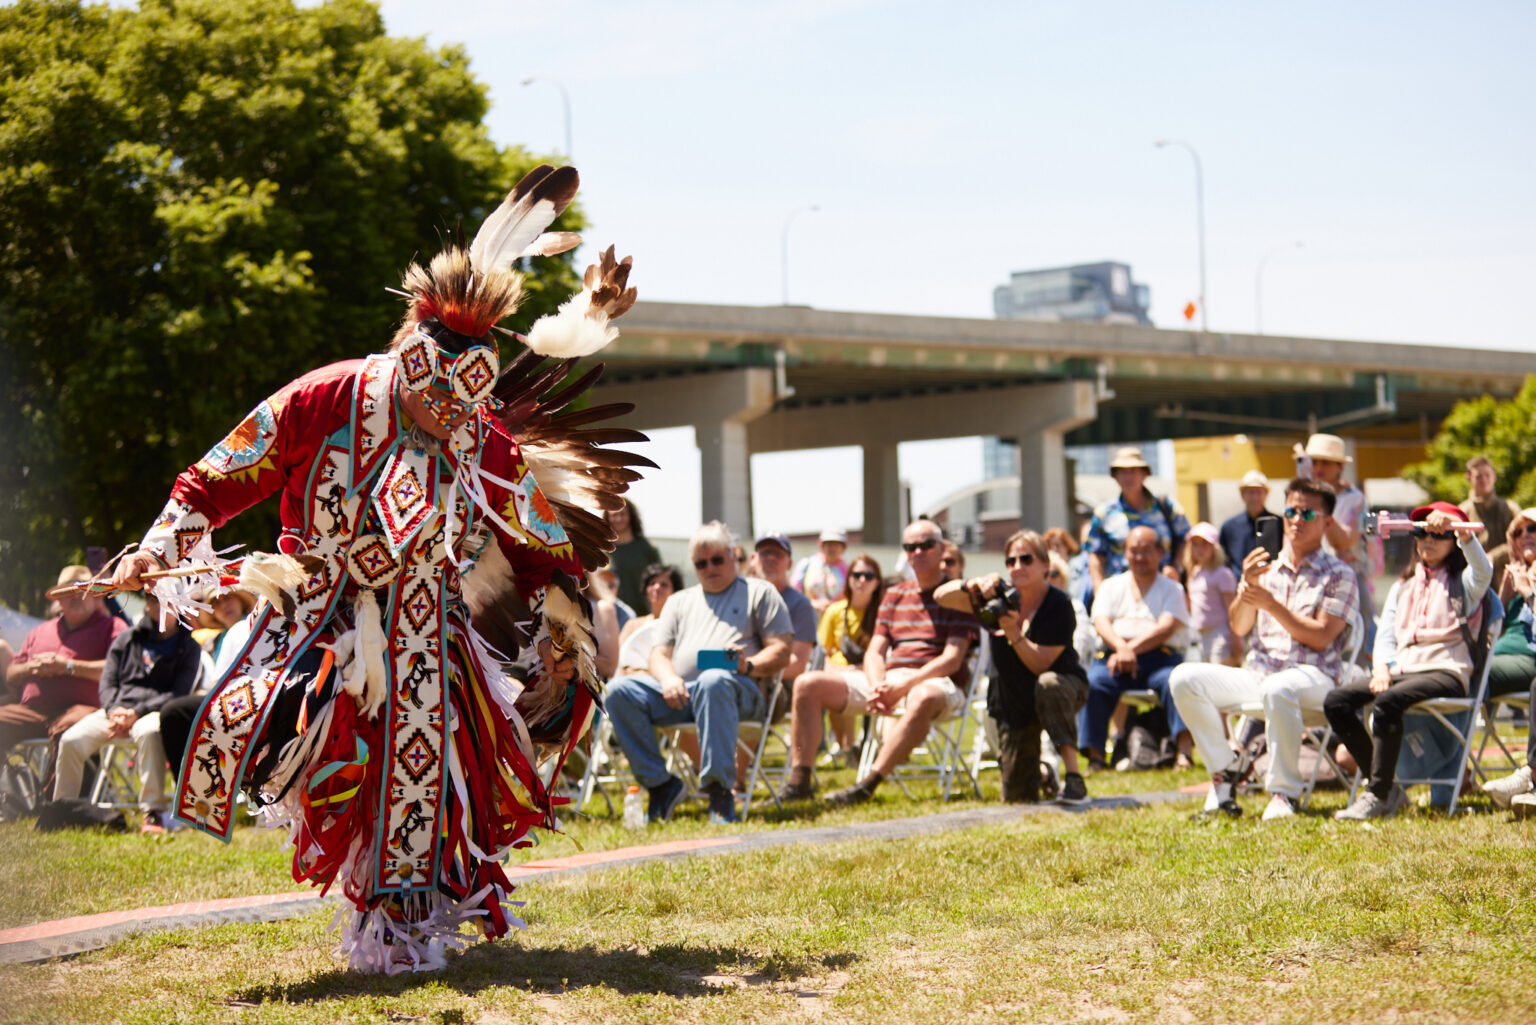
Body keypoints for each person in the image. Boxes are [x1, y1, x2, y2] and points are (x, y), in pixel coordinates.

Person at [106, 164, 646, 972]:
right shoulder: (326, 398)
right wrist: (157, 547)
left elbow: (534, 534)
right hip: (315, 616)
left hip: (432, 628)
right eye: (439, 389)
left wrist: (561, 628)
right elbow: (216, 477)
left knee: (425, 768)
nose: (451, 413)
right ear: (409, 359)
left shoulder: (478, 435)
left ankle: (407, 920)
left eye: (472, 394)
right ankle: (391, 907)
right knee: (291, 746)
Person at [1168, 478, 1359, 819]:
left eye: (1307, 514)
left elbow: (1320, 637)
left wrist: (1271, 605)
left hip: (1318, 678)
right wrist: (1248, 587)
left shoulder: (1339, 574)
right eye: (1290, 511)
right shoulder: (1263, 567)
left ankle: (1284, 793)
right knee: (1184, 678)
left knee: (1278, 686)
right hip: (1260, 673)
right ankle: (1225, 772)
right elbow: (1240, 626)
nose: (1297, 520)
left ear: (1327, 523)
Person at [604, 521, 793, 824]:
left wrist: (749, 664)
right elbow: (658, 654)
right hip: (684, 694)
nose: (709, 567)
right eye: (701, 563)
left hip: (741, 691)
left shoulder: (760, 592)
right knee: (618, 691)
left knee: (713, 678)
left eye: (717, 559)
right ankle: (661, 785)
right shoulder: (679, 601)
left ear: (734, 555)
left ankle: (720, 792)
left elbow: (782, 649)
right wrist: (668, 678)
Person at [779, 520, 978, 805]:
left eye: (926, 545)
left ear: (942, 548)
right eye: (911, 546)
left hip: (936, 684)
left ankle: (867, 785)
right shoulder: (894, 595)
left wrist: (902, 687)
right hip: (890, 679)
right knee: (808, 683)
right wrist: (877, 687)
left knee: (922, 695)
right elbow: (875, 651)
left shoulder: (957, 597)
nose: (918, 552)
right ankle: (800, 783)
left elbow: (951, 659)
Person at [1325, 502, 1491, 820]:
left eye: (1438, 534)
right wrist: (1381, 668)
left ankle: (1377, 794)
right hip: (1403, 671)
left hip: (1448, 671)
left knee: (1387, 702)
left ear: (1453, 540)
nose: (1428, 539)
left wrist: (1462, 535)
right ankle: (1389, 789)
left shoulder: (1465, 582)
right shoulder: (1403, 585)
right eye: (1421, 532)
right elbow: (1386, 636)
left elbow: (1483, 571)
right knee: (1337, 701)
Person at [938, 530, 1090, 804]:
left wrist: (1013, 632)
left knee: (1049, 684)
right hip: (1014, 702)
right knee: (1019, 796)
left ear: (1045, 564)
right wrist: (973, 584)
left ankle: (1074, 777)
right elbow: (941, 595)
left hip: (1062, 689)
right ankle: (1045, 773)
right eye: (1010, 561)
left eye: (1026, 559)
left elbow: (1041, 665)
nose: (1017, 566)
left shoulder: (1058, 603)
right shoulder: (998, 598)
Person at [53, 593, 201, 832]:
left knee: (150, 733)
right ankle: (62, 809)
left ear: (179, 605)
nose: (159, 606)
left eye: (166, 600)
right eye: (153, 600)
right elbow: (107, 681)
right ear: (147, 604)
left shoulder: (189, 646)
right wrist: (114, 711)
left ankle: (152, 813)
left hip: (154, 712)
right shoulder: (127, 638)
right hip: (115, 711)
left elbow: (179, 694)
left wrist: (137, 712)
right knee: (70, 740)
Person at [0, 566, 127, 787]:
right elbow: (11, 674)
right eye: (68, 592)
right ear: (59, 600)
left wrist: (67, 667)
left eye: (82, 591)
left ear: (96, 595)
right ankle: (13, 796)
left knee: (71, 727)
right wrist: (32, 667)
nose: (75, 597)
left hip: (85, 709)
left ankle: (54, 806)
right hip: (33, 710)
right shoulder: (39, 631)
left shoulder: (113, 626)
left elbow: (118, 669)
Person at [1079, 526, 1191, 769]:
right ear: (1125, 554)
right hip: (1113, 658)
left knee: (1177, 683)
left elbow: (1166, 627)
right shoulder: (1111, 586)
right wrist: (1121, 648)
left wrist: (1130, 649)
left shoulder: (1173, 588)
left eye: (1146, 551)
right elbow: (1100, 621)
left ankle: (1184, 753)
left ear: (1160, 553)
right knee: (1094, 683)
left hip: (1159, 658)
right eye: (1133, 551)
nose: (1139, 557)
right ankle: (1096, 757)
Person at [1482, 508, 1536, 815]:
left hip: (1528, 658)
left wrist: (1529, 592)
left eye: (1533, 528)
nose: (1526, 534)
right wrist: (1503, 596)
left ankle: (1528, 776)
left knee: (1466, 677)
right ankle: (1455, 776)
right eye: (1518, 531)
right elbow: (1489, 634)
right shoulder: (1515, 579)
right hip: (1500, 656)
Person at [1085, 446, 1189, 591]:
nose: (1128, 477)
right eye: (1122, 472)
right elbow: (1095, 555)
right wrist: (1099, 590)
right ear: (1115, 476)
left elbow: (1184, 539)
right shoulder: (1104, 513)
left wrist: (1176, 568)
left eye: (1133, 471)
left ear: (1144, 474)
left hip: (1163, 590)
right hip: (1120, 593)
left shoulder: (1167, 506)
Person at [814, 553, 885, 762]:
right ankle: (849, 747)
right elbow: (823, 651)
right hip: (839, 672)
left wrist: (865, 669)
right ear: (849, 578)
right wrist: (839, 671)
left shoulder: (883, 613)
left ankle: (867, 748)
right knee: (831, 685)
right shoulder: (835, 611)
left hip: (872, 675)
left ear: (877, 582)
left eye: (868, 576)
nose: (862, 580)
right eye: (856, 575)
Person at [1459, 456, 1521, 588]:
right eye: (1479, 476)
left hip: (1506, 581)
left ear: (1495, 476)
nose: (1484, 480)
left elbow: (1520, 543)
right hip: (1472, 584)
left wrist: (1493, 556)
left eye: (1487, 475)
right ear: (1469, 478)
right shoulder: (1462, 512)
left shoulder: (1510, 509)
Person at [1184, 522, 1238, 664]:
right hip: (1199, 636)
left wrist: (1236, 639)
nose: (1199, 549)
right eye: (1195, 544)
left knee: (1218, 678)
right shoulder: (1193, 574)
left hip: (1220, 634)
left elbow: (1232, 609)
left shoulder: (1222, 573)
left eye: (1204, 544)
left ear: (1215, 548)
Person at [616, 563, 682, 676]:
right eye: (652, 583)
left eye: (664, 584)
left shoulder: (681, 625)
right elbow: (618, 660)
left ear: (675, 591)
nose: (657, 588)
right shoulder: (632, 625)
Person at [606, 498, 662, 614]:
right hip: (612, 615)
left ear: (631, 516)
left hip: (644, 613)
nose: (618, 519)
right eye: (614, 515)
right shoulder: (603, 551)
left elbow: (659, 581)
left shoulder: (647, 548)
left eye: (622, 514)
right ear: (607, 518)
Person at [1218, 470, 1277, 572]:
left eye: (1259, 492)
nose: (1255, 497)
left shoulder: (1278, 524)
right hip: (1238, 585)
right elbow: (1223, 560)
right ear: (1242, 495)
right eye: (1250, 492)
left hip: (1271, 583)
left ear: (1266, 494)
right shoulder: (1229, 527)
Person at [790, 528, 850, 616]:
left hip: (836, 620)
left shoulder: (849, 570)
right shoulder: (807, 565)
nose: (832, 548)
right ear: (821, 545)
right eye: (828, 544)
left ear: (843, 547)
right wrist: (813, 603)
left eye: (836, 544)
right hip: (808, 618)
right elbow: (794, 593)